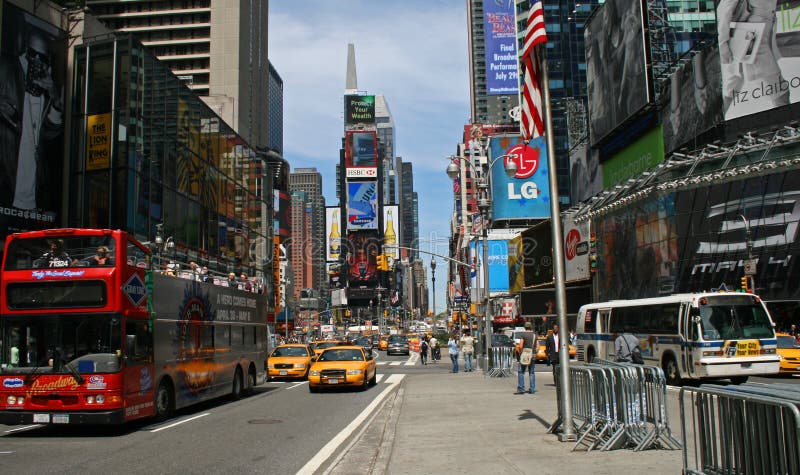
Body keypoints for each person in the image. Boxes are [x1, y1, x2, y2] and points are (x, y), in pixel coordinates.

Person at [0, 27, 64, 211]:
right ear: (23, 53)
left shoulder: (47, 94)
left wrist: (55, 96)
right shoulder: (6, 71)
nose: (37, 62)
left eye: (42, 58)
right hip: (7, 191)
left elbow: (51, 135)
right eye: (32, 54)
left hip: (34, 201)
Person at [717, 0, 788, 117]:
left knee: (729, 93)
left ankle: (713, 128)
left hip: (752, 40)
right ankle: (790, 130)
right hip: (752, 43)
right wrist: (722, 44)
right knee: (780, 94)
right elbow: (725, 9)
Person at [515, 322, 538, 395]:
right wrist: (534, 352)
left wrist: (520, 353)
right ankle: (532, 389)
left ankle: (521, 389)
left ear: (525, 327)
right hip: (533, 355)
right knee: (531, 372)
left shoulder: (523, 335)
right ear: (531, 327)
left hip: (525, 355)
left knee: (521, 372)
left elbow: (521, 346)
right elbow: (538, 347)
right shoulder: (534, 335)